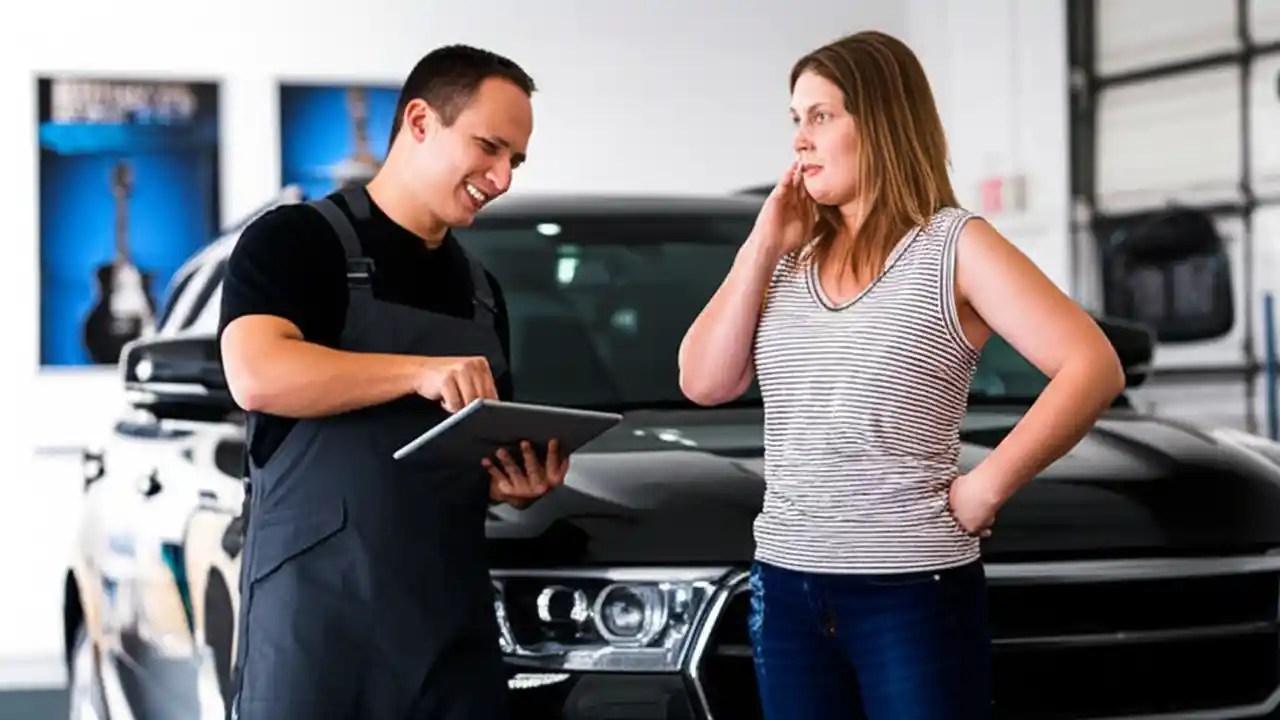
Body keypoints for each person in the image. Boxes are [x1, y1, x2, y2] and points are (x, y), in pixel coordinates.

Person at [677, 30, 1125, 720]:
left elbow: (1091, 365)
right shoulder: (790, 259)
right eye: (795, 120)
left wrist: (986, 487)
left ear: (881, 122)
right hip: (786, 585)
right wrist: (763, 241)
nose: (800, 138)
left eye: (821, 116)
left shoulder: (954, 245)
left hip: (910, 589)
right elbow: (705, 382)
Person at [218, 45, 565, 720]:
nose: (500, 178)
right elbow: (256, 375)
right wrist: (420, 373)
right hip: (315, 638)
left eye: (514, 162)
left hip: (448, 638)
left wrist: (510, 483)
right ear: (419, 121)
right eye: (489, 148)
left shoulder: (482, 293)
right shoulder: (294, 242)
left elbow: (472, 440)